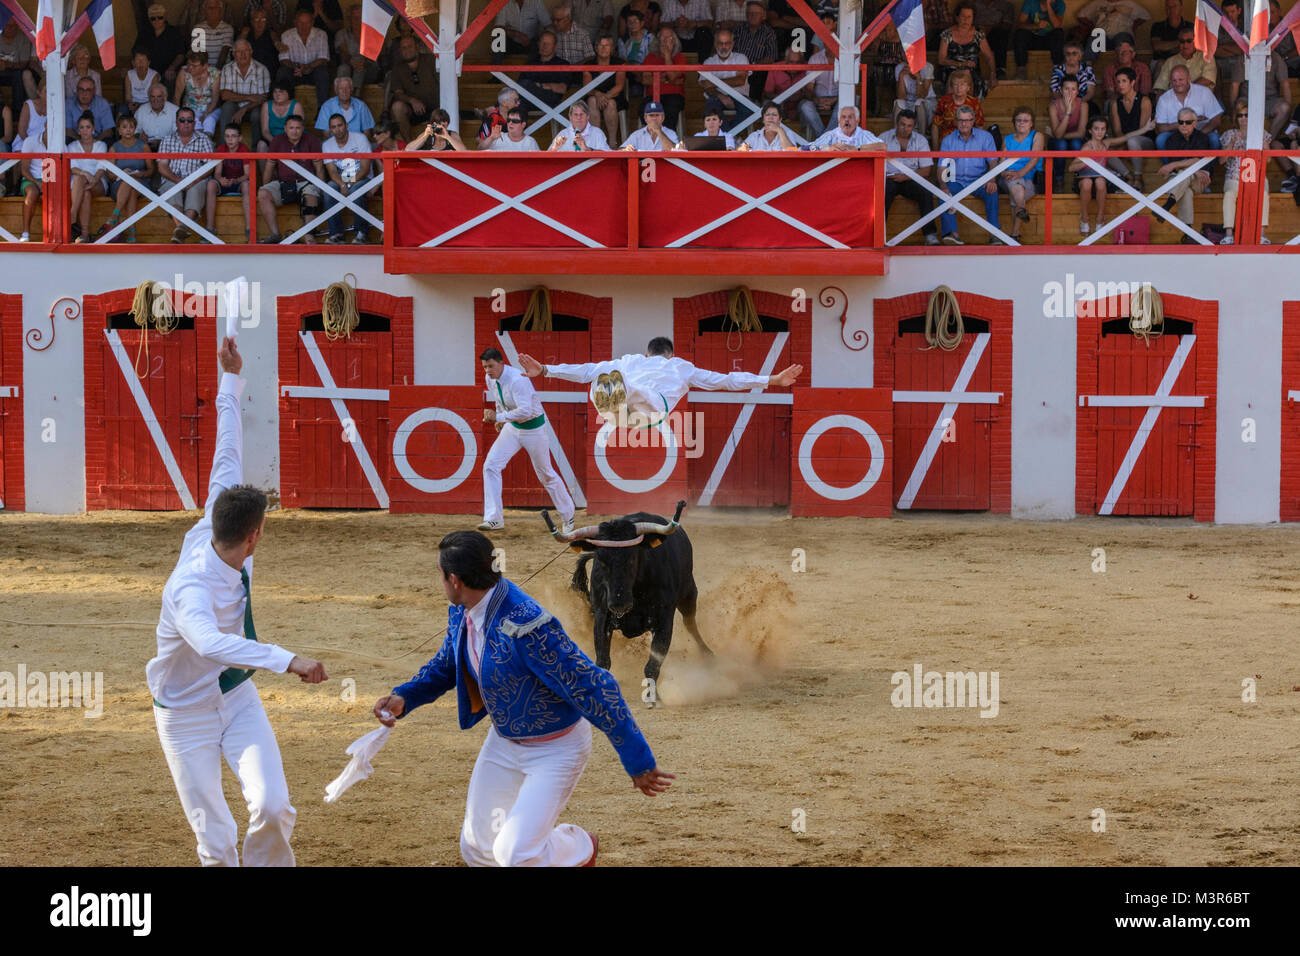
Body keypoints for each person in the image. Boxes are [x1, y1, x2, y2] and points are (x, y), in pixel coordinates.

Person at [372, 529, 672, 867]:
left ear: (454, 580)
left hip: (555, 749)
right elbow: (449, 662)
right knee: (477, 848)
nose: (439, 580)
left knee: (515, 854)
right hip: (504, 741)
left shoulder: (528, 628)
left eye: (439, 574)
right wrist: (405, 697)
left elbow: (597, 688)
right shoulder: (463, 608)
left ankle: (576, 847)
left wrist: (638, 761)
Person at [150, 336, 328, 868]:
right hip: (184, 711)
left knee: (273, 804)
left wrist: (231, 379)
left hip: (235, 697)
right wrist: (287, 660)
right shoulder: (190, 586)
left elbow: (227, 446)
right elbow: (207, 641)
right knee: (215, 838)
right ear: (253, 537)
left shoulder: (219, 517)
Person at [518, 335, 802, 429]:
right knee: (633, 390)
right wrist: (771, 380)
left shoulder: (629, 360)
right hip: (649, 412)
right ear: (670, 354)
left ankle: (613, 393)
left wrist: (545, 370)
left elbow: (584, 370)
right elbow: (725, 381)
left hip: (621, 413)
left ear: (647, 352)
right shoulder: (680, 366)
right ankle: (617, 393)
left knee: (600, 379)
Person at [474, 349, 576, 533]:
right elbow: (498, 398)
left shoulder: (517, 379)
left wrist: (499, 416)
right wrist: (500, 417)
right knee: (491, 465)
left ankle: (568, 516)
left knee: (545, 474)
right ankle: (493, 518)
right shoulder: (490, 378)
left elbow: (526, 411)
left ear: (501, 363)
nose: (488, 370)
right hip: (513, 428)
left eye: (491, 366)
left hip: (533, 428)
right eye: (485, 367)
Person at [938, 104, 1002, 245]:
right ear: (956, 121)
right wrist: (943, 186)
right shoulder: (948, 140)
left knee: (992, 191)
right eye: (961, 120)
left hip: (979, 180)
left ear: (973, 121)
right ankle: (952, 235)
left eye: (967, 120)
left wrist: (992, 179)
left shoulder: (985, 137)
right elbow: (942, 167)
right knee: (943, 194)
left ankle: (994, 234)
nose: (964, 123)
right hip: (957, 181)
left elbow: (993, 162)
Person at [257, 113, 324, 243]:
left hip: (306, 182)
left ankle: (309, 235)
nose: (294, 131)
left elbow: (319, 167)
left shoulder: (312, 140)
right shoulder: (277, 140)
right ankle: (275, 234)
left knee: (311, 193)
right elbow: (269, 167)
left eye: (298, 128)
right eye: (291, 128)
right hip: (283, 183)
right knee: (263, 193)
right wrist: (265, 186)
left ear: (303, 129)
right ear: (285, 128)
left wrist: (321, 188)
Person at [881, 108, 939, 245]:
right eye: (902, 124)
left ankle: (930, 235)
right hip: (888, 179)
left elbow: (926, 170)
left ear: (914, 127)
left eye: (909, 126)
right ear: (896, 123)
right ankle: (879, 234)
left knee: (926, 193)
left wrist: (905, 177)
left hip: (910, 179)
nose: (905, 129)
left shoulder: (921, 140)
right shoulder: (883, 138)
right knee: (882, 193)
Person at [160, 107, 217, 243]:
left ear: (195, 122)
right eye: (182, 120)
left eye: (190, 120)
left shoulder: (204, 140)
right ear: (176, 122)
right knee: (171, 191)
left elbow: (209, 166)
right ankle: (182, 228)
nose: (186, 123)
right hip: (172, 178)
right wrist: (178, 180)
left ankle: (181, 228)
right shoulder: (167, 140)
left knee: (195, 190)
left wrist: (195, 179)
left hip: (196, 179)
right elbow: (162, 167)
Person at [1220, 101, 1270, 245]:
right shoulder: (1229, 134)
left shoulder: (1262, 133)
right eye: (1240, 115)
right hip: (1234, 176)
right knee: (1229, 195)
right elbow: (1222, 161)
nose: (1243, 118)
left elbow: (1268, 160)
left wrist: (1262, 144)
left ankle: (1261, 235)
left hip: (1257, 176)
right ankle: (1229, 234)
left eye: (1247, 115)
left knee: (1263, 195)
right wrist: (1231, 144)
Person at [1158, 106, 1214, 235]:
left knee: (1184, 174)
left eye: (1188, 122)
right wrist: (1194, 169)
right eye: (1180, 122)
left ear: (1195, 123)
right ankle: (1187, 233)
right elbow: (1185, 164)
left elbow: (1196, 160)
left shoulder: (1203, 138)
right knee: (1186, 191)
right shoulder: (1171, 139)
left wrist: (1176, 165)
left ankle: (1167, 205)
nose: (1184, 125)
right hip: (1183, 178)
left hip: (1200, 180)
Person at [321, 112, 373, 243]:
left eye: (340, 125)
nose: (337, 129)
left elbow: (365, 169)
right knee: (329, 189)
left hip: (363, 178)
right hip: (342, 180)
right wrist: (343, 185)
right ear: (330, 129)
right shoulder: (327, 145)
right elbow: (332, 172)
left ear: (346, 125)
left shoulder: (360, 138)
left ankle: (362, 234)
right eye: (333, 127)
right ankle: (337, 235)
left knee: (356, 190)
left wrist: (348, 184)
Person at [102, 114, 155, 243]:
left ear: (135, 129)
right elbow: (109, 174)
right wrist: (121, 173)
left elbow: (151, 170)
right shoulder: (114, 148)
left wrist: (139, 174)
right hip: (119, 186)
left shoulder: (143, 146)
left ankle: (116, 214)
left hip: (141, 183)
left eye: (131, 127)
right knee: (129, 184)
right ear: (119, 130)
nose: (128, 130)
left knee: (132, 181)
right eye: (124, 127)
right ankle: (132, 232)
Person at [1070, 115, 1119, 236]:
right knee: (1087, 183)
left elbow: (1126, 138)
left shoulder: (1105, 144)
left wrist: (1145, 129)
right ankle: (1084, 217)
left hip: (1100, 181)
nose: (1100, 132)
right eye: (1096, 129)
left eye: (1103, 129)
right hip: (1084, 181)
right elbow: (1071, 167)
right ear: (1090, 130)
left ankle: (1100, 217)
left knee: (1100, 182)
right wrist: (1087, 160)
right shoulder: (1087, 147)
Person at [999, 106, 1043, 241]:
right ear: (1014, 122)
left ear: (1031, 123)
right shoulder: (1007, 139)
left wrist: (1019, 173)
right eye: (1018, 120)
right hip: (1008, 178)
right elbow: (1001, 162)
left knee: (1017, 190)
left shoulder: (1037, 136)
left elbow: (1035, 159)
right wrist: (1005, 173)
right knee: (1015, 185)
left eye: (1025, 120)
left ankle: (1015, 231)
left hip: (1030, 178)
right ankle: (1020, 214)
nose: (1022, 123)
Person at [937, 1, 998, 98]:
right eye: (963, 16)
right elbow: (941, 59)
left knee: (966, 75)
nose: (966, 20)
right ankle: (950, 110)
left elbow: (989, 56)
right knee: (955, 77)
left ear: (973, 18)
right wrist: (960, 64)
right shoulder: (947, 34)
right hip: (950, 68)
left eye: (969, 17)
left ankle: (967, 109)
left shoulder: (978, 34)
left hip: (971, 70)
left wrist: (992, 74)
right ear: (957, 17)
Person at [1154, 66, 1222, 150]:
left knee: (1214, 139)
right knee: (1161, 140)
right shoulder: (1164, 99)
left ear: (1189, 79)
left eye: (1181, 79)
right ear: (1170, 81)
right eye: (1174, 80)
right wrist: (1181, 124)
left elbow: (1216, 120)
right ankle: (1171, 164)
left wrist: (1199, 135)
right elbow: (1161, 128)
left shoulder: (1204, 92)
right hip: (1176, 135)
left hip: (1202, 132)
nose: (1177, 83)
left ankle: (1209, 163)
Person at [1108, 66, 1155, 184]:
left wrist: (1126, 144)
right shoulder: (1115, 103)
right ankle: (1129, 176)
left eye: (1124, 81)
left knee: (1133, 141)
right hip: (1125, 141)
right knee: (1104, 149)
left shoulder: (1144, 101)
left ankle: (1138, 178)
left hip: (1145, 141)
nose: (1120, 85)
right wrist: (1123, 144)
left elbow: (1143, 130)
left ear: (1132, 82)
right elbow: (1117, 131)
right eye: (1118, 82)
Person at [206, 123, 252, 241]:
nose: (230, 139)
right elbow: (217, 173)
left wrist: (236, 180)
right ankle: (209, 228)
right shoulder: (221, 149)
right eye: (227, 136)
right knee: (211, 184)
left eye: (233, 136)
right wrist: (221, 180)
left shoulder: (244, 150)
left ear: (240, 138)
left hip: (238, 182)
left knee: (247, 186)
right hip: (224, 182)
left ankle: (249, 228)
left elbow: (247, 174)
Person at [277, 9, 331, 108]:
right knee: (283, 72)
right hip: (295, 72)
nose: (304, 26)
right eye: (300, 22)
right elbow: (283, 59)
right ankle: (286, 107)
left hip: (313, 72)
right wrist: (296, 66)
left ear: (312, 22)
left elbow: (323, 58)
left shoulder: (321, 34)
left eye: (307, 23)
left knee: (322, 72)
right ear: (295, 22)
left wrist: (308, 66)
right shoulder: (286, 35)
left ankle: (322, 109)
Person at [68, 113, 108, 243]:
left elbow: (101, 168)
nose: (85, 130)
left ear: (93, 129)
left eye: (88, 127)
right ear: (78, 130)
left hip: (98, 183)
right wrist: (86, 175)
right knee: (83, 189)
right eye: (82, 127)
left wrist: (93, 179)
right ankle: (84, 235)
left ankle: (72, 215)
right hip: (78, 185)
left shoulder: (101, 145)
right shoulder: (72, 146)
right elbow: (72, 167)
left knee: (81, 181)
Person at [389, 35, 439, 139]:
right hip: (413, 111)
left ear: (417, 47)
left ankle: (432, 146)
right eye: (404, 47)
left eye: (410, 46)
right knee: (397, 107)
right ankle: (409, 146)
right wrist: (412, 100)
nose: (407, 50)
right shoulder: (397, 68)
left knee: (438, 114)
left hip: (435, 108)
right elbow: (398, 93)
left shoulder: (431, 60)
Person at [219, 39, 271, 133]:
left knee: (258, 114)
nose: (243, 54)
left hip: (253, 107)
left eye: (246, 51)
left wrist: (244, 108)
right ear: (234, 54)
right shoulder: (227, 69)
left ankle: (257, 147)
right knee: (227, 107)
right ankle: (224, 146)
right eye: (239, 52)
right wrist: (249, 97)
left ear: (251, 52)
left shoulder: (261, 69)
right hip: (234, 106)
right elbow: (225, 95)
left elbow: (263, 98)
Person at [642, 27, 688, 131]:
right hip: (652, 95)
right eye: (662, 38)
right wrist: (667, 79)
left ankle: (667, 141)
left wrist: (667, 55)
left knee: (670, 109)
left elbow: (672, 76)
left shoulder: (680, 57)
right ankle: (650, 141)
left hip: (674, 96)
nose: (665, 42)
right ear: (658, 42)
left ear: (675, 42)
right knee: (644, 109)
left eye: (669, 38)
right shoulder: (650, 57)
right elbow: (645, 80)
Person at [702, 29, 750, 128]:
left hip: (740, 96)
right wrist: (721, 96)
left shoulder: (741, 58)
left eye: (727, 43)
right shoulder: (708, 62)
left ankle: (728, 137)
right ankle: (732, 138)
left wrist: (714, 82)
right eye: (720, 43)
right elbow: (706, 86)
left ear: (732, 44)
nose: (724, 47)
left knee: (748, 109)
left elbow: (740, 80)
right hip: (717, 97)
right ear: (715, 44)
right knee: (711, 110)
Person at [733, 0, 777, 106]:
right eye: (749, 13)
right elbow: (731, 52)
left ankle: (754, 104)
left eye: (756, 13)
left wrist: (753, 66)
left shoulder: (769, 33)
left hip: (757, 70)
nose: (752, 16)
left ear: (763, 16)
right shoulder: (738, 30)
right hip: (738, 69)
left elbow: (771, 57)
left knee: (761, 73)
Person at [1047, 74, 1088, 187]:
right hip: (1057, 143)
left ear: (1077, 91)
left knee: (1076, 143)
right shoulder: (1054, 106)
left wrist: (1056, 134)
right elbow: (1058, 137)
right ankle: (1059, 179)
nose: (1070, 92)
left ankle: (1079, 177)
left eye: (1073, 89)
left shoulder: (1083, 104)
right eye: (1066, 89)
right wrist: (1068, 112)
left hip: (1075, 139)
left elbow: (1081, 133)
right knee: (1061, 144)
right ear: (1061, 90)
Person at [134, 5, 188, 89]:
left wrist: (172, 68)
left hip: (167, 72)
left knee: (171, 79)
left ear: (165, 17)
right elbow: (135, 52)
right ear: (149, 19)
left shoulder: (174, 32)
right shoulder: (144, 33)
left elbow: (180, 55)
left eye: (160, 17)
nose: (156, 20)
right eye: (153, 18)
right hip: (148, 72)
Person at [583, 35, 627, 136]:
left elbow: (619, 86)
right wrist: (597, 94)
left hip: (614, 97)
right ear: (596, 48)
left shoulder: (620, 64)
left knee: (610, 103)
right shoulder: (588, 65)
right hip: (594, 97)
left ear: (612, 48)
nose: (603, 48)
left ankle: (612, 143)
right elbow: (587, 88)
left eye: (607, 45)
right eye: (600, 45)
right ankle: (596, 141)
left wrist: (604, 97)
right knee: (592, 101)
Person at [1152, 26, 1216, 94]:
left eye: (1189, 41)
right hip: (1175, 102)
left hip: (1201, 100)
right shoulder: (1170, 61)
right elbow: (1160, 87)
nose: (1185, 44)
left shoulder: (1206, 57)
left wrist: (1184, 91)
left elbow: (1207, 80)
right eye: (1182, 41)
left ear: (1195, 41)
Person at [522, 31, 575, 111]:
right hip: (529, 101)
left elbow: (562, 88)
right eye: (542, 43)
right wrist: (547, 86)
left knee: (524, 85)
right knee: (512, 95)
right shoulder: (530, 63)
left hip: (550, 102)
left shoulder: (562, 64)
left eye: (548, 44)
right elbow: (519, 85)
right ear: (538, 44)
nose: (544, 46)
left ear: (555, 47)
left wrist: (539, 85)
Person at [1012, 0, 1064, 81]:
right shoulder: (1030, 2)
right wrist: (1035, 26)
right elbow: (1020, 24)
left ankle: (1058, 69)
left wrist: (1048, 5)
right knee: (1020, 34)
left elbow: (1057, 25)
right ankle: (1021, 69)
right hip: (1033, 40)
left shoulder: (1060, 3)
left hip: (1049, 41)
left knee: (1059, 33)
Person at [931, 69, 984, 148]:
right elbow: (935, 125)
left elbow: (979, 126)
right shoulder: (944, 101)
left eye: (962, 85)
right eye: (955, 85)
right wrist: (935, 151)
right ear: (952, 87)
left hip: (968, 140)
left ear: (968, 87)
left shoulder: (974, 103)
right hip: (947, 141)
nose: (959, 88)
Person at [175, 50, 223, 137]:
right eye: (189, 64)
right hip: (190, 108)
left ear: (205, 66)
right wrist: (178, 115)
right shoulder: (184, 72)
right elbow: (176, 97)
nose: (190, 68)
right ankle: (202, 144)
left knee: (210, 120)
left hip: (211, 109)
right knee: (193, 120)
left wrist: (206, 114)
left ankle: (206, 144)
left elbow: (215, 100)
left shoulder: (214, 73)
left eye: (194, 66)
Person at [335, 2, 380, 89]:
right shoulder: (342, 34)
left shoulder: (372, 34)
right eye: (354, 17)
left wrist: (363, 64)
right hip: (349, 66)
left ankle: (355, 98)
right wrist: (352, 62)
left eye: (360, 18)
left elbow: (371, 57)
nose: (357, 20)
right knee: (343, 69)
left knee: (360, 70)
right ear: (349, 19)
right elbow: (343, 53)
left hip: (369, 69)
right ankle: (342, 96)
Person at [0, 16, 39, 111]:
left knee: (18, 75)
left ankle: (18, 114)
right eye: (8, 26)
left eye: (14, 26)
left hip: (14, 72)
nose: (11, 29)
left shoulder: (22, 38)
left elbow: (24, 64)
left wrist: (6, 64)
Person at [810, 104, 884, 150]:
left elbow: (882, 146)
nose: (846, 120)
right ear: (839, 121)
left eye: (850, 117)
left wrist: (855, 148)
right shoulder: (831, 135)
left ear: (857, 120)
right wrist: (828, 148)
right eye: (843, 117)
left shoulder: (864, 134)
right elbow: (806, 148)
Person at [895, 57, 937, 134]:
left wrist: (918, 78)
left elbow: (922, 95)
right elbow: (901, 96)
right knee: (898, 102)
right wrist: (901, 76)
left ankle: (922, 136)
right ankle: (896, 135)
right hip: (908, 101)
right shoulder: (899, 67)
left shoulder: (927, 67)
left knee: (919, 102)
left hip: (926, 101)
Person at [136, 83, 180, 150]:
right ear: (149, 98)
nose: (155, 100)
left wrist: (161, 142)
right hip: (145, 148)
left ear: (165, 97)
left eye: (159, 96)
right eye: (152, 96)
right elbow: (134, 131)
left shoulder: (175, 111)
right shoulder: (141, 110)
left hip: (169, 148)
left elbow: (179, 135)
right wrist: (139, 136)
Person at [259, 82, 304, 148]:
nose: (277, 95)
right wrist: (276, 142)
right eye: (275, 92)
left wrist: (286, 143)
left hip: (293, 138)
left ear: (288, 93)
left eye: (281, 92)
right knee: (261, 145)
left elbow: (298, 128)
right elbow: (265, 131)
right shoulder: (266, 105)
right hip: (273, 139)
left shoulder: (296, 106)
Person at [195, 0, 236, 70]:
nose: (212, 10)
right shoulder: (198, 28)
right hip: (202, 68)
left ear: (220, 10)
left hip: (223, 69)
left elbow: (224, 52)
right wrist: (204, 70)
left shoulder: (227, 28)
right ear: (205, 10)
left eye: (216, 8)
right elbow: (198, 52)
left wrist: (215, 72)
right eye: (210, 8)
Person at [1148, 0, 1186, 76]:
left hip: (1184, 61)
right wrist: (1180, 42)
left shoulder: (1189, 26)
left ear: (1181, 7)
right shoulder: (1157, 26)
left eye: (1174, 6)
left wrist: (1167, 46)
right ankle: (1158, 88)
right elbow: (1157, 46)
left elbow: (1192, 47)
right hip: (1161, 60)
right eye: (1168, 6)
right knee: (1161, 65)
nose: (1171, 9)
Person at [404, 109, 469, 150]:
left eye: (443, 126)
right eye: (438, 124)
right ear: (432, 124)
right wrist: (424, 137)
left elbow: (464, 151)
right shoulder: (426, 135)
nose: (440, 128)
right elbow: (408, 149)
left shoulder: (452, 135)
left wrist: (447, 137)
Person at [124, 50, 161, 116]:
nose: (141, 63)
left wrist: (139, 106)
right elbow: (128, 97)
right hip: (133, 103)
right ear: (133, 63)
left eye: (143, 60)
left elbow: (153, 98)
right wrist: (130, 104)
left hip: (149, 103)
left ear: (148, 63)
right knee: (122, 109)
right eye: (138, 60)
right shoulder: (129, 74)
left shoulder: (154, 75)